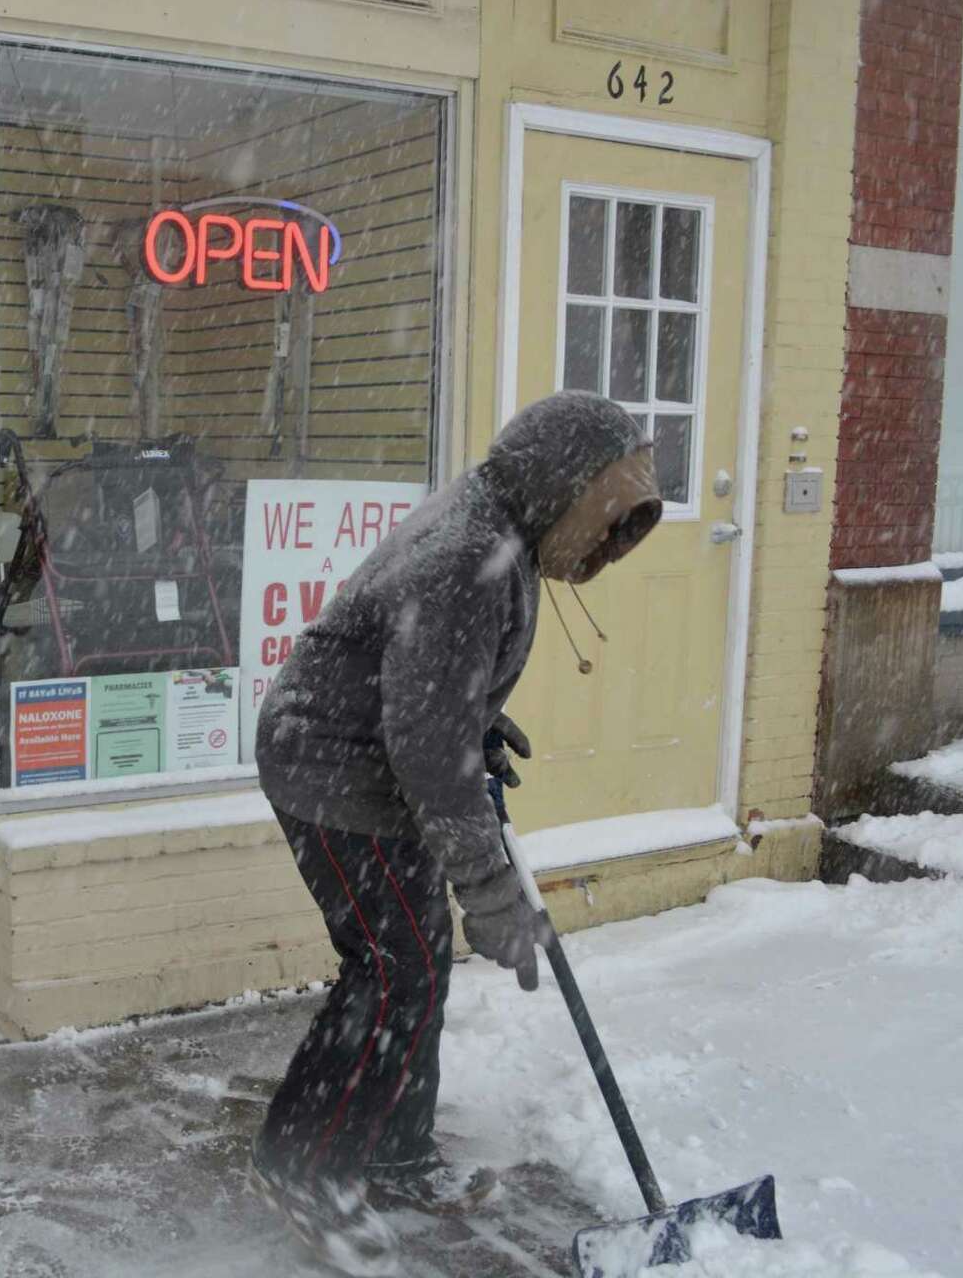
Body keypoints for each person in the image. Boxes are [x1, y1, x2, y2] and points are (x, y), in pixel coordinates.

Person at [248, 390, 664, 1276]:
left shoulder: (500, 522)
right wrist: (488, 889)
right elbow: (427, 751)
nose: (603, 551)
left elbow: (427, 688)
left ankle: (393, 1158)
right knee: (395, 968)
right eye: (605, 523)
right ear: (566, 488)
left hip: (368, 759)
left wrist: (474, 722)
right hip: (335, 774)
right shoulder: (471, 555)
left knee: (415, 964)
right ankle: (302, 1168)